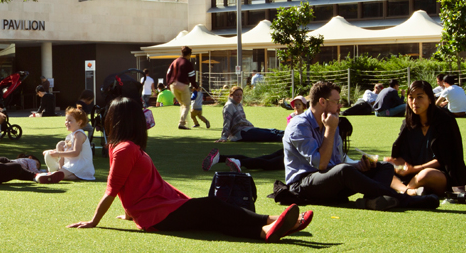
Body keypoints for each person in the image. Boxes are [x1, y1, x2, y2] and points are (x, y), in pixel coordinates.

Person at [67, 97, 310, 243]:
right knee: (212, 207)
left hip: (161, 208)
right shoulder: (123, 149)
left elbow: (131, 185)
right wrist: (93, 221)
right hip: (158, 214)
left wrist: (130, 212)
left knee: (211, 218)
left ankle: (266, 230)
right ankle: (273, 221)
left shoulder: (123, 147)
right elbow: (113, 189)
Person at [282, 81, 439, 210]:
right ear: (322, 102)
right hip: (303, 185)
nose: (340, 107)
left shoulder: (333, 121)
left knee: (384, 167)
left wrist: (358, 167)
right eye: (336, 102)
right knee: (344, 171)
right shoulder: (300, 125)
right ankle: (405, 199)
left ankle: (371, 201)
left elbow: (335, 163)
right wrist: (330, 129)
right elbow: (321, 164)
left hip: (331, 181)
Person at [388, 80, 466, 196]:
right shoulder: (408, 124)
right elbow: (403, 154)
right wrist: (396, 163)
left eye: (420, 97)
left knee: (425, 175)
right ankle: (411, 192)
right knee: (384, 169)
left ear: (430, 99)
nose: (414, 102)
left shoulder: (445, 121)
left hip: (440, 175)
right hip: (411, 175)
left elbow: (446, 158)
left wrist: (415, 169)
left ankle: (404, 192)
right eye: (411, 98)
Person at [204, 95, 307, 171]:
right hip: (298, 153)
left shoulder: (305, 118)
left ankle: (220, 158)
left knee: (263, 159)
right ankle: (237, 162)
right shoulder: (301, 118)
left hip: (295, 149)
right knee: (267, 163)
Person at [43, 105, 96, 181]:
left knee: (61, 175)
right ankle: (58, 170)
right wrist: (52, 151)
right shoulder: (71, 135)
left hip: (80, 165)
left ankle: (73, 175)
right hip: (71, 164)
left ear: (79, 122)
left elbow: (75, 152)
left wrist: (58, 153)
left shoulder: (79, 134)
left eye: (70, 121)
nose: (66, 122)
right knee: (60, 144)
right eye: (66, 120)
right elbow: (66, 148)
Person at [217, 86, 283, 143]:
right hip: (240, 133)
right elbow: (227, 122)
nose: (239, 97)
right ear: (231, 95)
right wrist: (224, 137)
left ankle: (289, 133)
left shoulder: (239, 104)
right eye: (237, 95)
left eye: (240, 95)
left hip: (247, 128)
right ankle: (288, 138)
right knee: (270, 135)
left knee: (273, 130)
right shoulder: (229, 106)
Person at [165, 46, 198, 130]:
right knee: (186, 105)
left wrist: (168, 84)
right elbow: (192, 76)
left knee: (182, 104)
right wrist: (196, 86)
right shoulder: (187, 63)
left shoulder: (174, 61)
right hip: (183, 85)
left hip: (173, 85)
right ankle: (181, 123)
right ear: (189, 54)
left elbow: (168, 73)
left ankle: (184, 123)